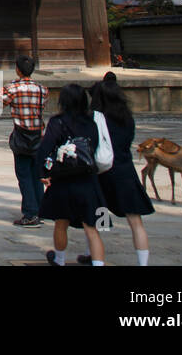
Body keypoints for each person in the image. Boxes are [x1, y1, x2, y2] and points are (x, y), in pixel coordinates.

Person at [84, 77, 153, 265]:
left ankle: (94, 255)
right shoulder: (127, 119)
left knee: (97, 217)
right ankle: (143, 262)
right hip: (125, 171)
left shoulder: (96, 118)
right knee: (135, 221)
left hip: (102, 172)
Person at [37, 83, 108, 266]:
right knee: (92, 228)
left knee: (61, 222)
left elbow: (45, 148)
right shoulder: (92, 123)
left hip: (64, 178)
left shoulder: (57, 122)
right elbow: (96, 147)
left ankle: (59, 260)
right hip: (88, 179)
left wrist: (43, 172)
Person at [0, 55, 49, 227]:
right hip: (39, 135)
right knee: (37, 174)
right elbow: (43, 106)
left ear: (17, 70)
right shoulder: (42, 89)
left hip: (21, 135)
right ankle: (41, 209)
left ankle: (30, 213)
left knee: (24, 175)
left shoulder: (12, 88)